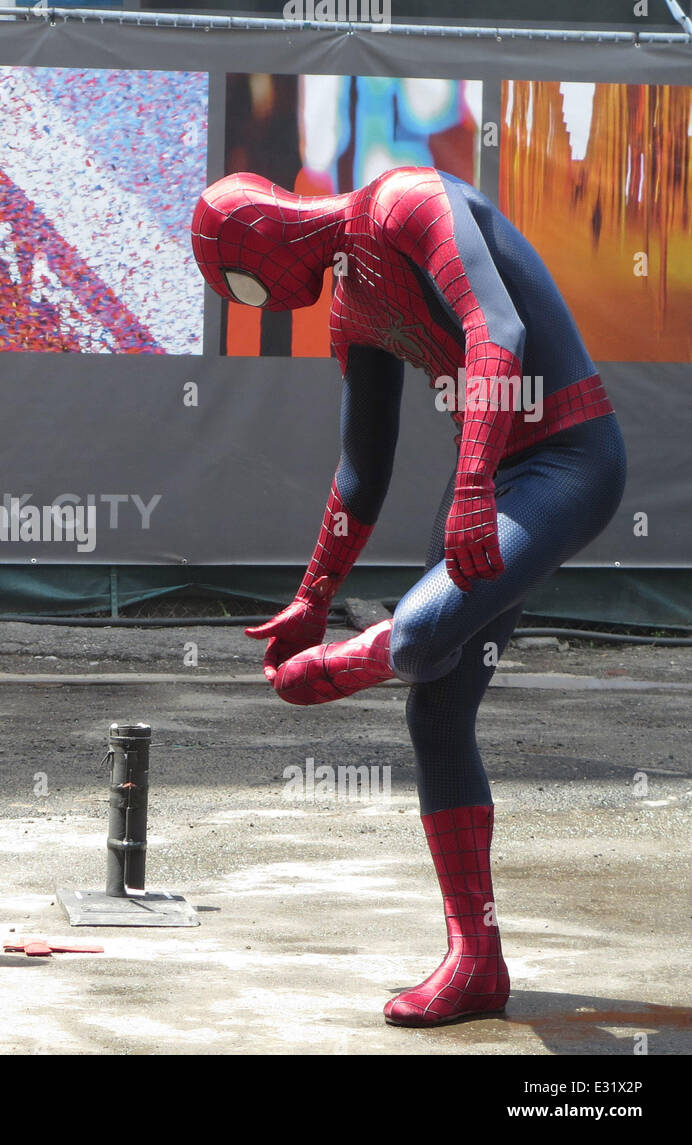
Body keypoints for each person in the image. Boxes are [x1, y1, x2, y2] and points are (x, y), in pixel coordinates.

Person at [192, 167, 625, 1026]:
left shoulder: (405, 203)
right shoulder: (351, 307)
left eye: (242, 283)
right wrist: (313, 595)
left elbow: (496, 326)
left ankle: (357, 660)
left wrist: (472, 485)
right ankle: (476, 959)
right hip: (496, 479)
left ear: (260, 238)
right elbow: (363, 471)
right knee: (436, 711)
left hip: (567, 457)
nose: (256, 300)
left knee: (423, 641)